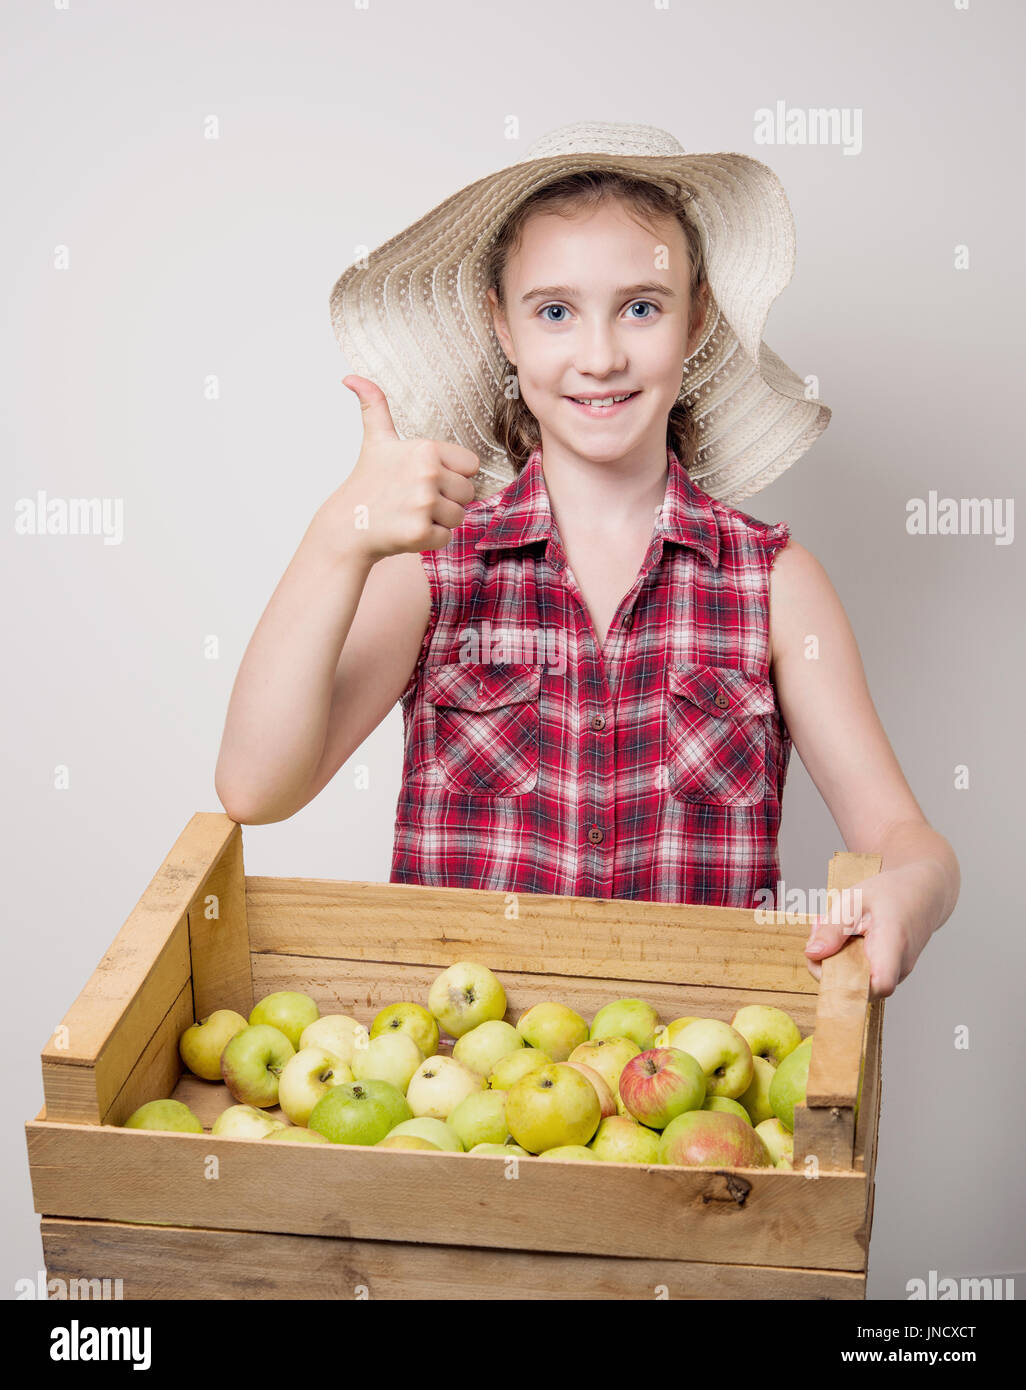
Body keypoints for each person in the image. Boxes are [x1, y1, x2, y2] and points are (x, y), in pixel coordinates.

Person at [215, 122, 959, 1000]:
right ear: (503, 325)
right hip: (458, 1097)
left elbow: (907, 838)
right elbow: (255, 789)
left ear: (698, 319)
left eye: (641, 306)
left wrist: (911, 888)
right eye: (556, 311)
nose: (600, 356)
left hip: (693, 1099)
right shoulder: (436, 572)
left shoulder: (773, 586)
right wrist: (339, 535)